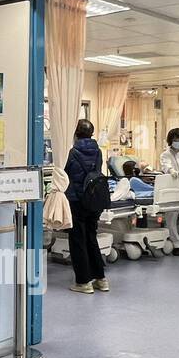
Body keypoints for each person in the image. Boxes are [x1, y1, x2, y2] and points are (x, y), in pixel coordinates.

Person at [64, 119, 108, 294]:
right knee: (91, 238)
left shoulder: (72, 152)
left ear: (76, 133)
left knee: (77, 241)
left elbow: (66, 174)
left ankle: (83, 282)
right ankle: (101, 279)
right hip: (94, 200)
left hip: (77, 200)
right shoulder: (97, 151)